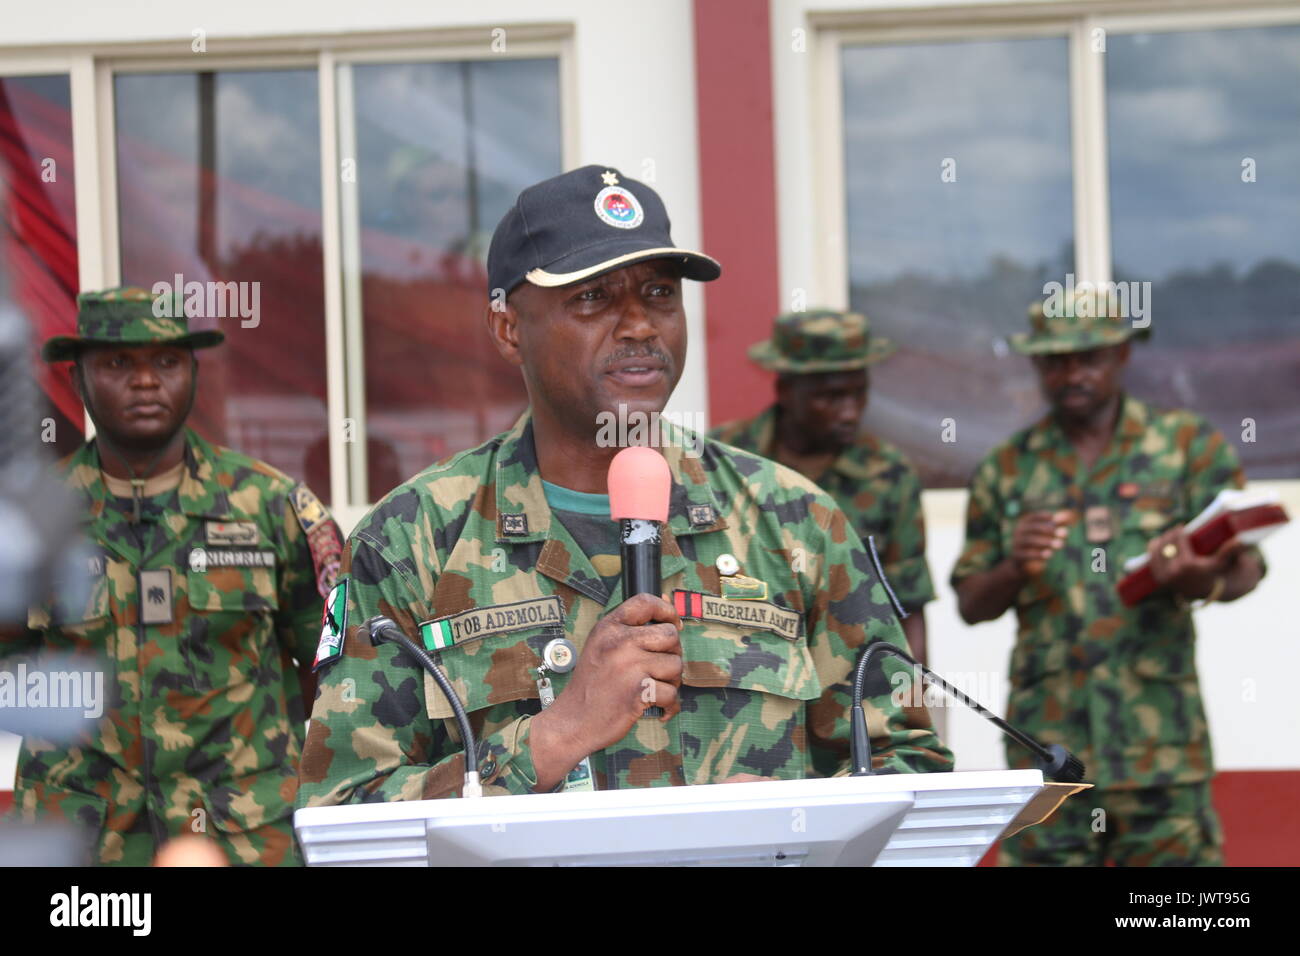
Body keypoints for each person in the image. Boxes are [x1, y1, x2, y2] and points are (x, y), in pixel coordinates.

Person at [297, 166, 950, 808]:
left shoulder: (797, 522)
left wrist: (795, 813)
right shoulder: (410, 542)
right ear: (508, 329)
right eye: (593, 298)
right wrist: (553, 738)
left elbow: (909, 763)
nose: (640, 325)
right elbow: (343, 811)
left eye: (660, 294)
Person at [3, 286, 343, 865]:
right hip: (84, 838)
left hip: (243, 835)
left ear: (193, 372)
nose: (144, 381)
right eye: (117, 363)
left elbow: (332, 674)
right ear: (77, 378)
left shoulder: (270, 507)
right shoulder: (33, 519)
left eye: (166, 362)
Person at [950, 290, 1264, 866]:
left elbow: (1246, 567)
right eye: (1055, 361)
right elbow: (971, 602)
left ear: (1121, 355)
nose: (1072, 374)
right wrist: (1014, 566)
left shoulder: (1185, 446)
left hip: (1161, 744)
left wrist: (1195, 578)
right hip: (1050, 751)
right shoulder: (1007, 467)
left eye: (1088, 357)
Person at [711, 309, 935, 665]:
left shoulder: (888, 473)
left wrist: (911, 695)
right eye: (830, 397)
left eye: (858, 394)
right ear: (785, 391)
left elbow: (907, 604)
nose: (849, 412)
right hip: (742, 670)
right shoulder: (721, 462)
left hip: (850, 679)